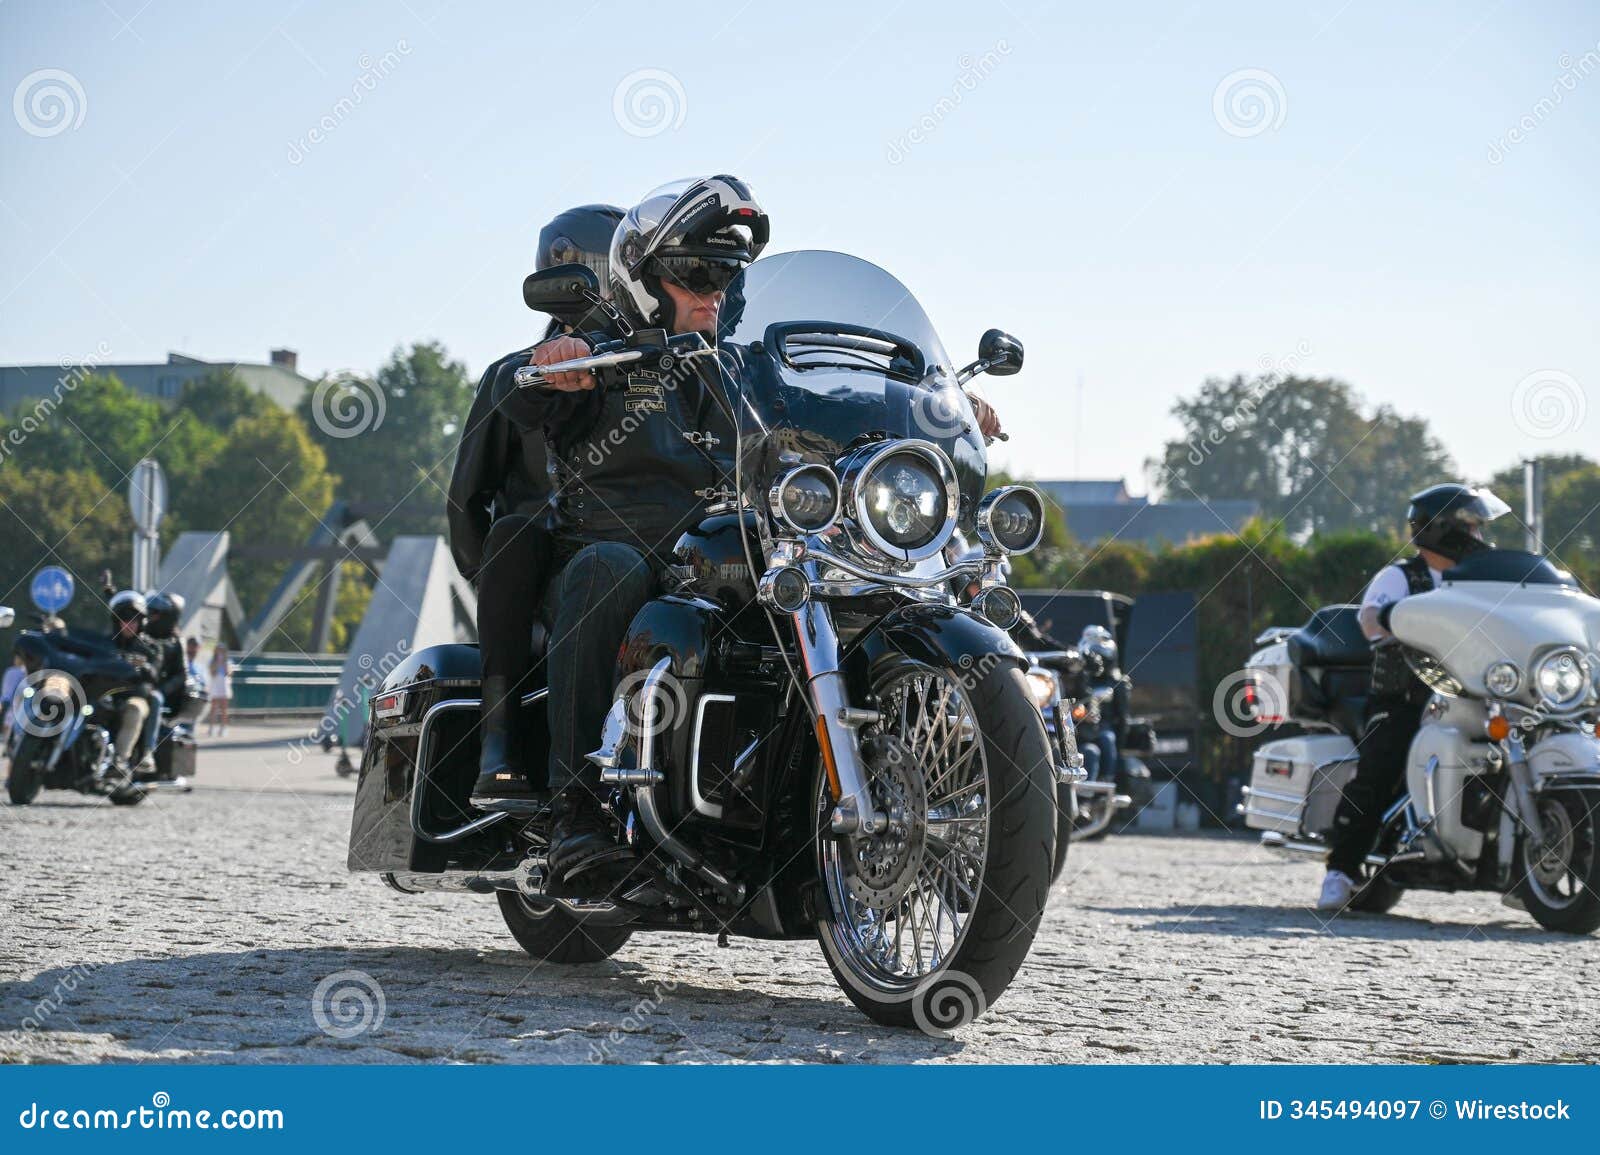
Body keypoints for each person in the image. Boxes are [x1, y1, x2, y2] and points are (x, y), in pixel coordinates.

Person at [487, 175, 768, 891]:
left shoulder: (740, 372)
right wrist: (550, 368)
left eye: (726, 274)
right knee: (610, 566)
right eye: (696, 272)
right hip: (616, 559)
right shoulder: (603, 354)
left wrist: (931, 408)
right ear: (646, 283)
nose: (714, 290)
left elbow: (819, 421)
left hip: (712, 562)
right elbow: (513, 396)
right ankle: (575, 806)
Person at [449, 204, 626, 809]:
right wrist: (501, 596)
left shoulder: (663, 371)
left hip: (632, 550)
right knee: (515, 531)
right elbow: (466, 502)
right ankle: (497, 737)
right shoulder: (513, 376)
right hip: (540, 566)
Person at [1316, 483, 1510, 911]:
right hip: (1406, 698)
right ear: (1446, 530)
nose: (1481, 538)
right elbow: (1371, 617)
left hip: (1476, 695)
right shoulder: (1401, 576)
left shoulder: (1483, 580)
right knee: (1379, 767)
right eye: (1473, 528)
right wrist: (1390, 635)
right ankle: (1340, 871)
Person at [106, 589, 161, 774]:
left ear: (141, 622)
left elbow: (155, 673)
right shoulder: (106, 643)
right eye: (124, 620)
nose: (128, 625)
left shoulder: (150, 647)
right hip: (104, 695)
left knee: (135, 710)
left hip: (134, 697)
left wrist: (144, 666)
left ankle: (120, 760)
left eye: (133, 620)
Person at [1077, 625, 1130, 784]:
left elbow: (1122, 718)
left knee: (1107, 739)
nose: (1097, 662)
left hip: (1103, 725)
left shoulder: (1116, 682)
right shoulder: (1078, 677)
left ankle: (1107, 779)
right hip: (1078, 727)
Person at [206, 644, 233, 737]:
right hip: (215, 685)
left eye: (222, 650)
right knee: (213, 708)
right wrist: (217, 663)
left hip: (224, 686)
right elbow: (212, 673)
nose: (220, 652)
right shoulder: (212, 661)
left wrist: (223, 662)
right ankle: (211, 728)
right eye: (218, 650)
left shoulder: (228, 662)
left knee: (224, 709)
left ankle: (223, 728)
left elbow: (229, 673)